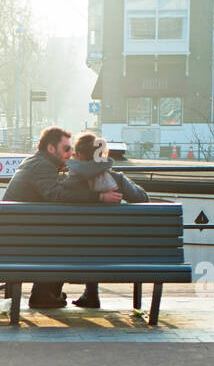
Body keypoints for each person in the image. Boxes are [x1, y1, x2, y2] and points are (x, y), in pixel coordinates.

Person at [3, 126, 122, 309]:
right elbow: (56, 195)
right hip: (19, 236)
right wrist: (98, 197)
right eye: (66, 149)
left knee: (61, 236)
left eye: (71, 150)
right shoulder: (42, 165)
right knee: (64, 241)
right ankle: (45, 295)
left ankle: (47, 293)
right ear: (51, 148)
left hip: (16, 231)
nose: (69, 153)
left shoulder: (37, 162)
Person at [61, 132, 151, 307]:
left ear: (79, 155)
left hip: (74, 250)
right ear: (102, 154)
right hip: (116, 249)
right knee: (96, 240)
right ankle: (91, 293)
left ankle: (89, 293)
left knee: (87, 240)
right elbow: (143, 199)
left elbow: (60, 198)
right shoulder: (116, 179)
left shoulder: (70, 183)